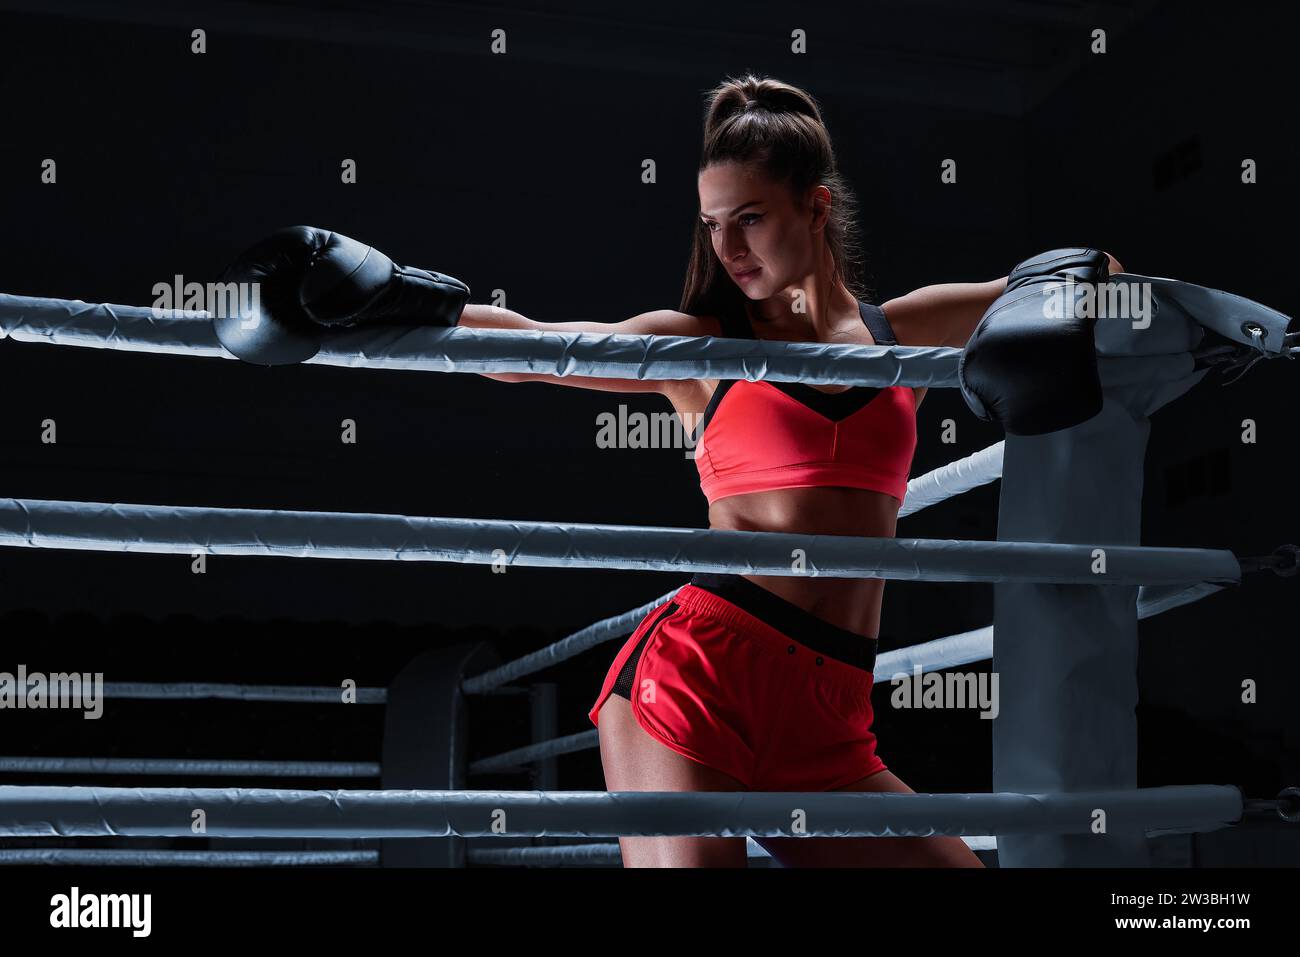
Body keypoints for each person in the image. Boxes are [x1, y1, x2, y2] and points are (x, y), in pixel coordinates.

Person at [459, 75, 1121, 867]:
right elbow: (529, 352)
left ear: (815, 207)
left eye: (750, 219)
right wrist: (392, 299)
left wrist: (1090, 296)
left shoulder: (902, 332)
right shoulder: (701, 348)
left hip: (831, 716)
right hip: (700, 678)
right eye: (711, 226)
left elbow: (1092, 277)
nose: (727, 249)